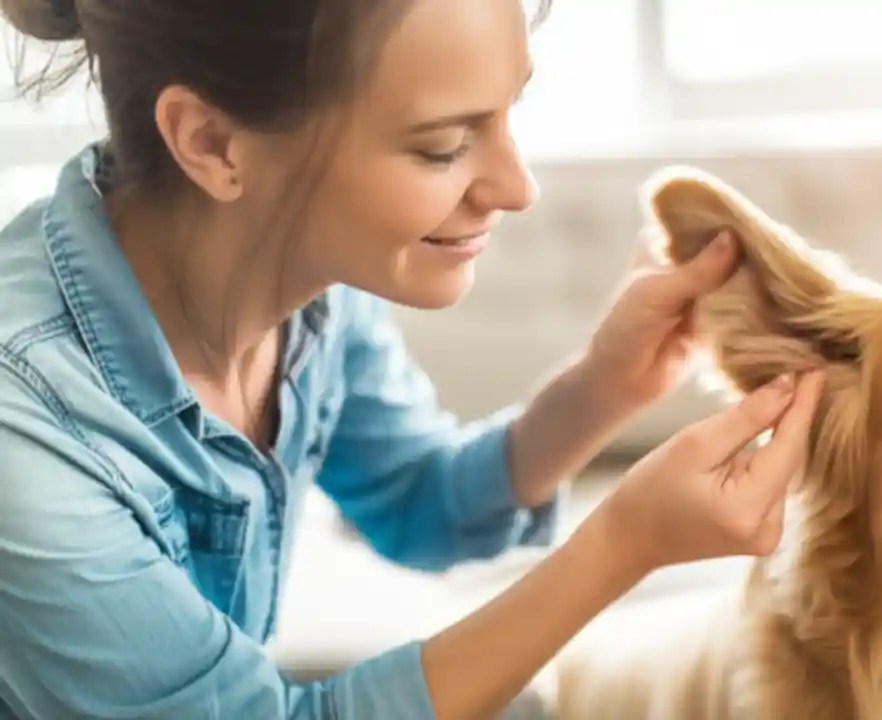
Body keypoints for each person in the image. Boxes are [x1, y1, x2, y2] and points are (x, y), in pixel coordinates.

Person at [0, 0, 824, 718]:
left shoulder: (307, 282)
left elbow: (418, 503)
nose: (515, 185)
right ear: (213, 142)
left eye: (508, 115)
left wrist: (600, 388)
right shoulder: (24, 429)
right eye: (442, 147)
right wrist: (623, 543)